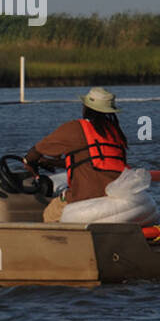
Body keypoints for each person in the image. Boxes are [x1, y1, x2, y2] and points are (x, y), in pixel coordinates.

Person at [23, 86, 128, 222]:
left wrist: (28, 161)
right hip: (116, 196)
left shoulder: (75, 128)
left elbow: (36, 151)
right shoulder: (115, 132)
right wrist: (49, 162)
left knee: (50, 213)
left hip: (87, 198)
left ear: (86, 107)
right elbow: (91, 161)